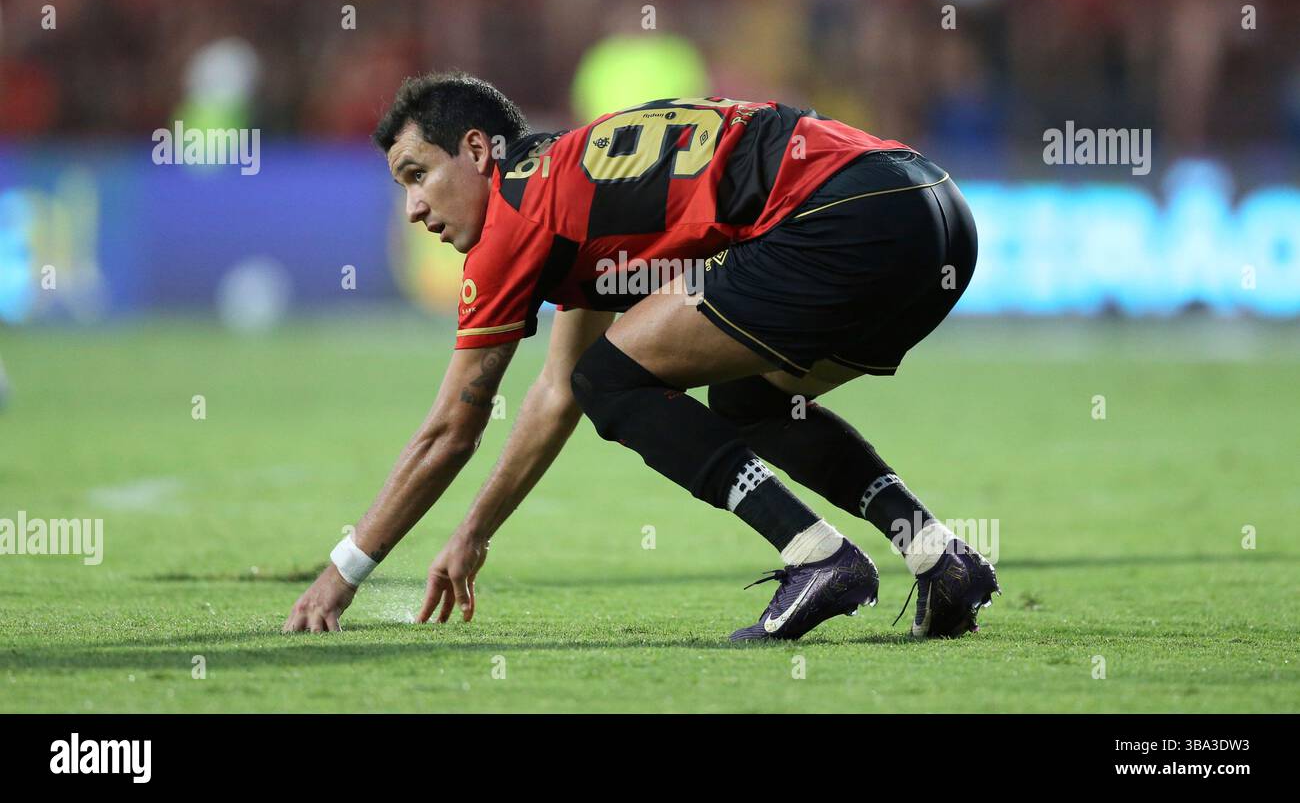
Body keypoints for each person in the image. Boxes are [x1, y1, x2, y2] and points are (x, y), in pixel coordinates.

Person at [283, 70, 998, 640]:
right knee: (750, 400)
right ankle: (938, 556)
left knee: (616, 380)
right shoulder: (570, 186)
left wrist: (343, 572)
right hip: (933, 209)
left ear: (476, 152)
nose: (412, 208)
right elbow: (559, 389)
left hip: (835, 217)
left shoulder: (512, 218)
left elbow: (451, 430)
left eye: (416, 174)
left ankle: (816, 554)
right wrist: (474, 534)